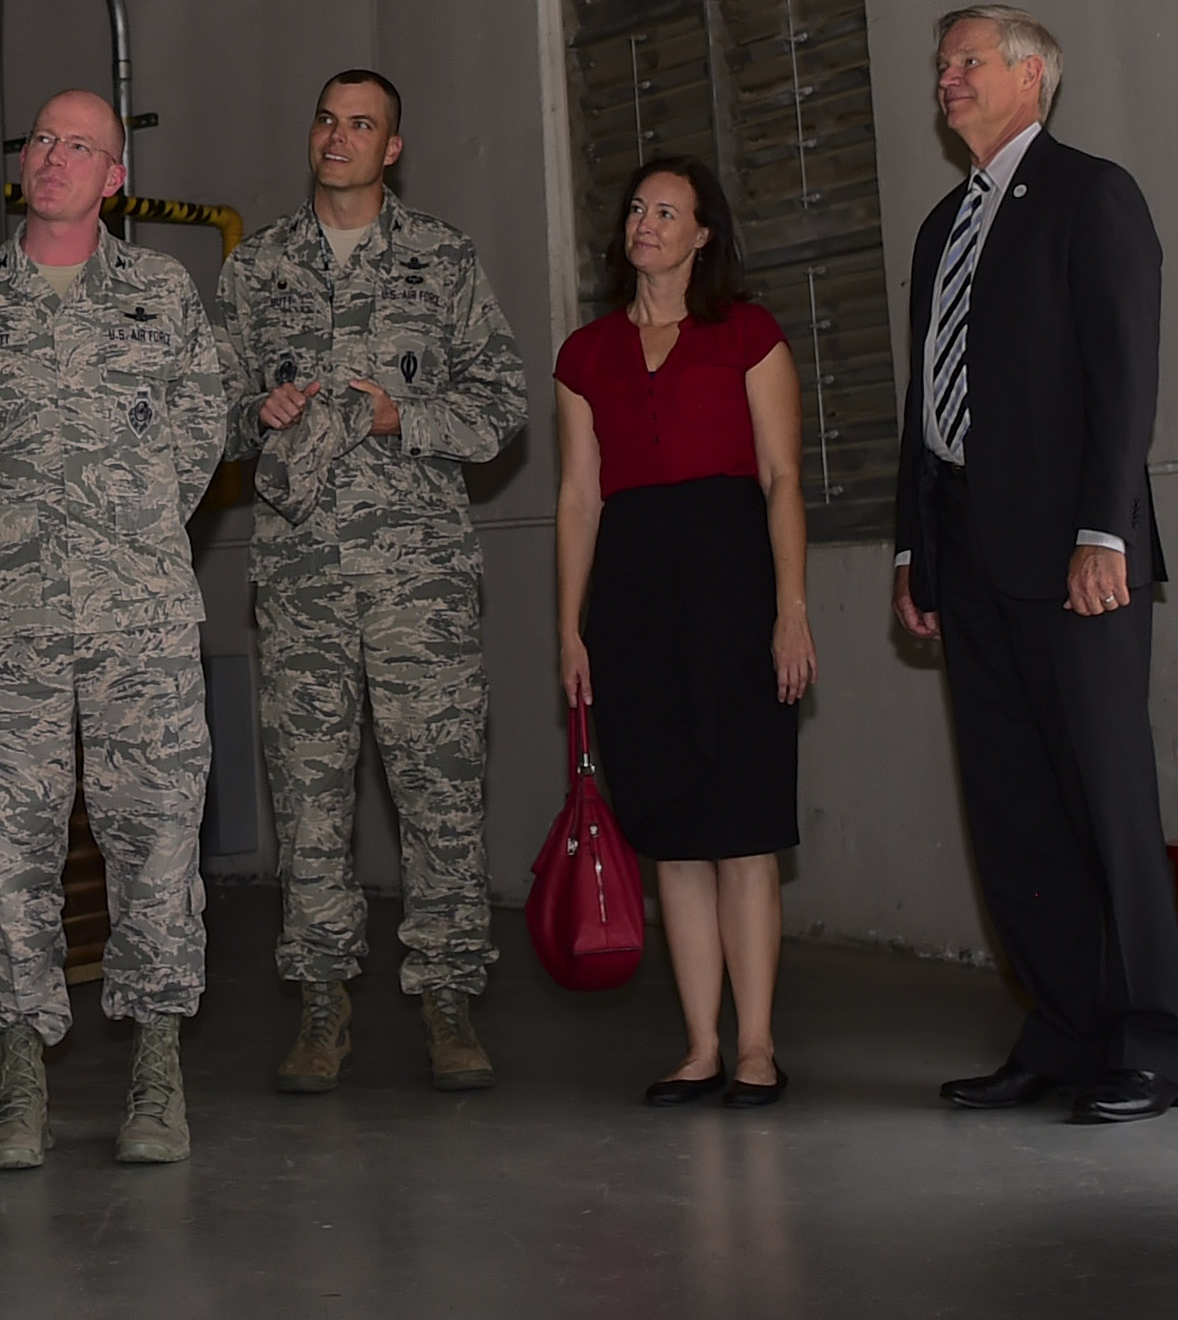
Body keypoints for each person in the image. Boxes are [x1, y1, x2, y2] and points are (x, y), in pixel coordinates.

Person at [0, 87, 227, 1171]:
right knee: (7, 849)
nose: (54, 156)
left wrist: (128, 537)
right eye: (42, 138)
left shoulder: (162, 294)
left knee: (158, 842)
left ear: (114, 178)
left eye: (81, 145)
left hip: (141, 626)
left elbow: (197, 438)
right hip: (7, 629)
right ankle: (20, 1074)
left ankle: (158, 1069)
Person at [892, 7, 1178, 1125]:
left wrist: (1104, 532)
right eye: (941, 64)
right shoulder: (942, 226)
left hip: (1076, 552)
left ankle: (1153, 1042)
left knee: (1104, 799)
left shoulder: (1091, 194)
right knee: (1012, 804)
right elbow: (925, 402)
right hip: (966, 546)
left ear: (1032, 77)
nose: (947, 77)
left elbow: (1124, 373)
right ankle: (1064, 1032)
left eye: (968, 60)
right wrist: (915, 545)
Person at [211, 70, 527, 1096]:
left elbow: (501, 404)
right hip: (301, 577)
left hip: (419, 582)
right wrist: (256, 413)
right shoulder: (257, 267)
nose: (337, 138)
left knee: (440, 789)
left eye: (360, 125)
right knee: (308, 796)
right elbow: (206, 416)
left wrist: (403, 417)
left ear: (392, 147)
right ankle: (321, 1000)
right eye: (325, 120)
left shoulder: (443, 257)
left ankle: (449, 997)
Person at [552, 157, 814, 1107]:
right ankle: (701, 1046)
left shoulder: (747, 333)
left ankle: (757, 1046)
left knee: (742, 831)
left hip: (735, 594)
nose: (646, 223)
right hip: (632, 604)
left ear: (704, 235)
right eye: (637, 208)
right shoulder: (584, 354)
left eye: (668, 211)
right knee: (670, 833)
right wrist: (569, 630)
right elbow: (578, 499)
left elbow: (782, 478)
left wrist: (790, 610)